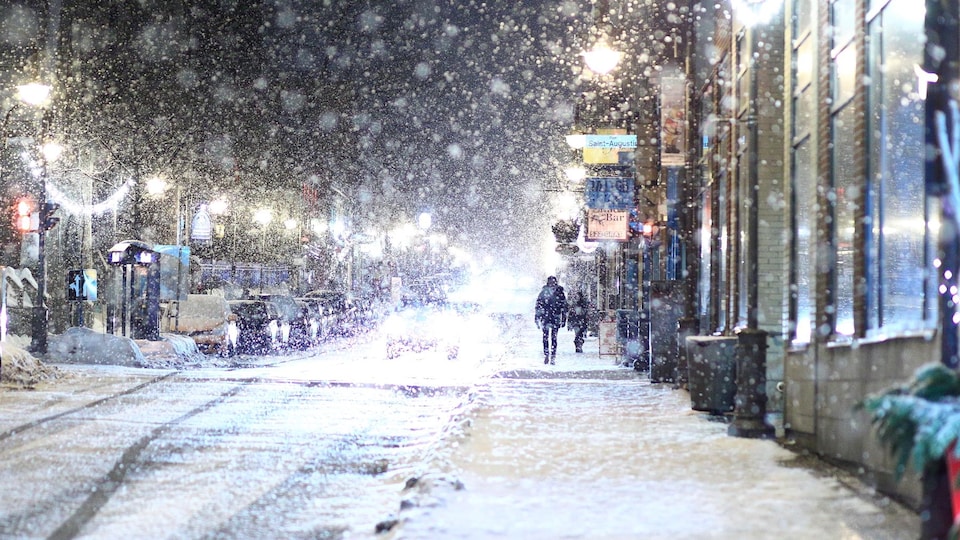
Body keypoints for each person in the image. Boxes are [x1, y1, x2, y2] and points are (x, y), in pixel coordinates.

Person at [535, 276, 567, 365]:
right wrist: (537, 317)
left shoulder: (559, 292)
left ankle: (552, 355)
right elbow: (538, 305)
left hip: (553, 317)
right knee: (546, 337)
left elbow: (564, 306)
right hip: (547, 317)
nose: (552, 284)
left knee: (553, 337)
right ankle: (547, 354)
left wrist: (564, 318)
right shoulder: (544, 292)